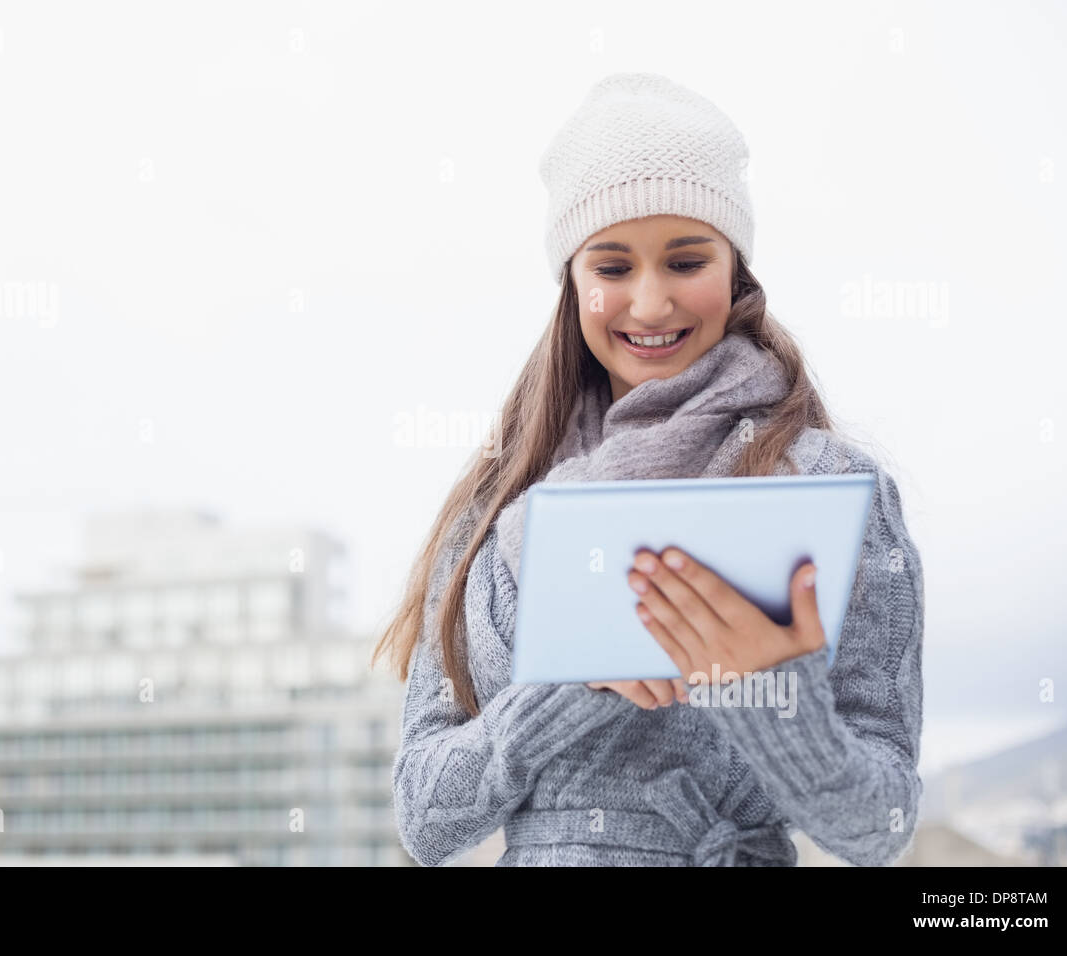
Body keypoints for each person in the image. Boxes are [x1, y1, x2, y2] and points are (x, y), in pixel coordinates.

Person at [371, 73, 925, 867]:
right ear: (574, 282)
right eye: (613, 267)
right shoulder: (491, 515)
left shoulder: (828, 489)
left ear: (735, 272)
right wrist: (570, 686)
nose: (653, 302)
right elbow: (424, 820)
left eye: (686, 260)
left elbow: (883, 825)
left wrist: (770, 700)